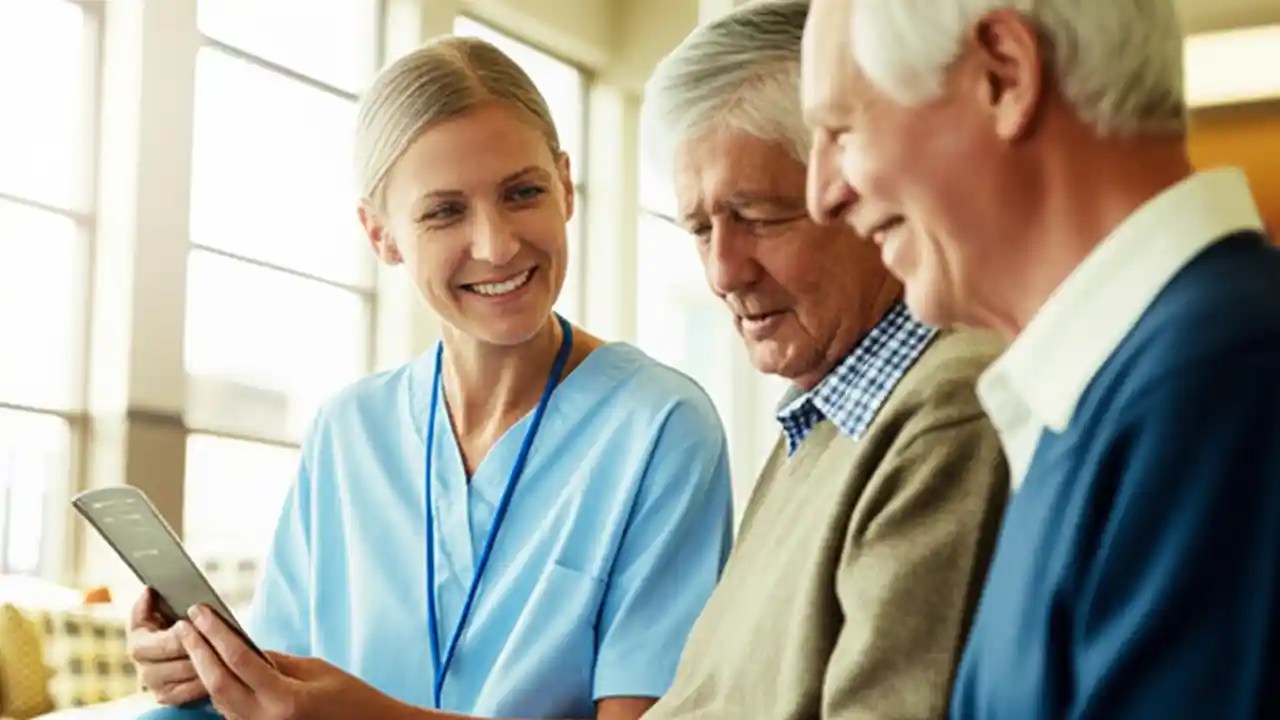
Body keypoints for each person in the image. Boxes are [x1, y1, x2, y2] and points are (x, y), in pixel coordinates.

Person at [130, 35, 735, 720]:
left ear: (565, 187)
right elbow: (280, 689)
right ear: (380, 234)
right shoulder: (346, 433)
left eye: (523, 192)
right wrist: (200, 669)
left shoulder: (661, 426)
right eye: (445, 211)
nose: (497, 245)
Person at [802, 0, 1280, 717]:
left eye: (842, 130)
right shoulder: (1112, 395)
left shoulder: (1217, 387)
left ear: (1004, 76)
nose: (822, 195)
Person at [636, 2, 1010, 717]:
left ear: (856, 189)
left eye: (759, 218)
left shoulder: (948, 411)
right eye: (701, 229)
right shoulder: (822, 417)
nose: (723, 271)